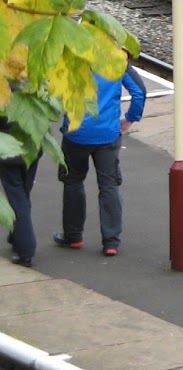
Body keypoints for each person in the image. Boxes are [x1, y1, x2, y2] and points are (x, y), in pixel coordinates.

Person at [55, 67, 146, 257]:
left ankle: (73, 236)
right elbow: (139, 92)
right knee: (109, 186)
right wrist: (130, 118)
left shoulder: (72, 55)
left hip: (76, 133)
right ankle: (111, 242)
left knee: (73, 181)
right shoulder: (116, 59)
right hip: (108, 134)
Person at [0, 114, 38, 267]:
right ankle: (16, 235)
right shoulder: (31, 89)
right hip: (32, 146)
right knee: (23, 193)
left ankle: (25, 250)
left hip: (9, 150)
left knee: (17, 199)